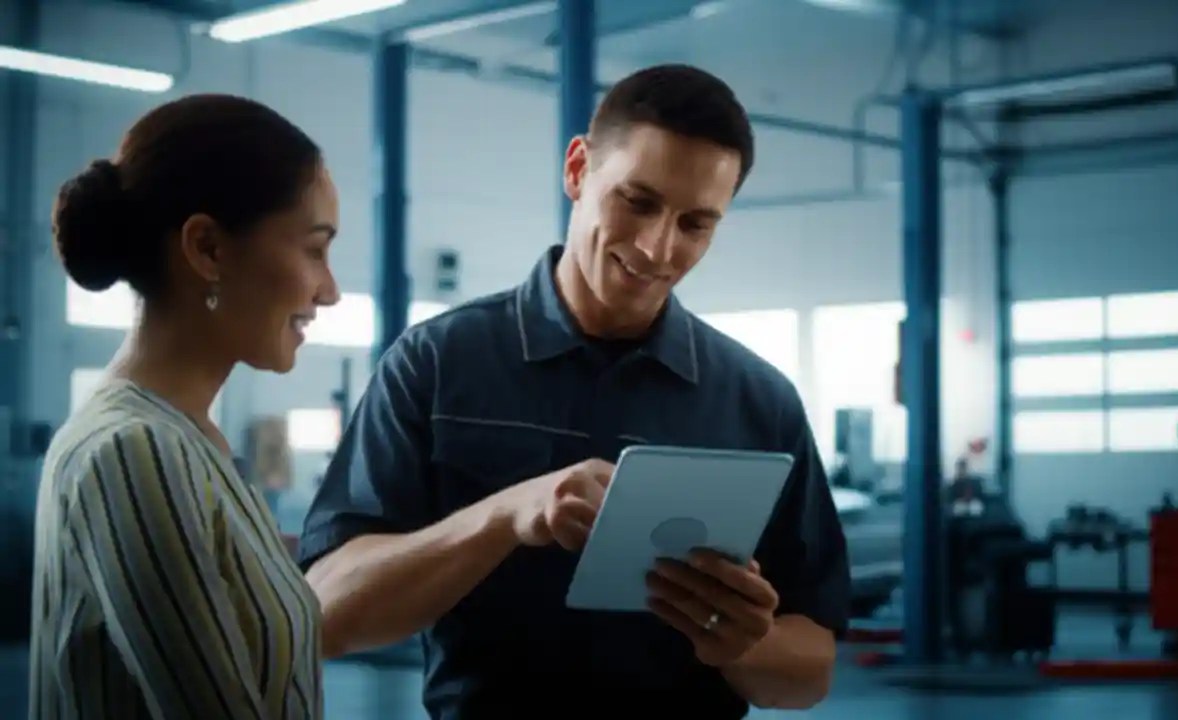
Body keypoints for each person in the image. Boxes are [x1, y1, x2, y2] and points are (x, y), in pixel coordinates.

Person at [298, 63, 850, 718]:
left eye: (696, 224)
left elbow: (809, 672)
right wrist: (504, 517)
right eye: (637, 202)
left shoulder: (760, 402)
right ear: (578, 169)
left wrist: (742, 644)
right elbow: (327, 612)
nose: (656, 248)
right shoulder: (437, 365)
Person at [28, 94, 340, 719]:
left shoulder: (189, 444)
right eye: (314, 249)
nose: (328, 291)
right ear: (208, 250)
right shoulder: (134, 451)